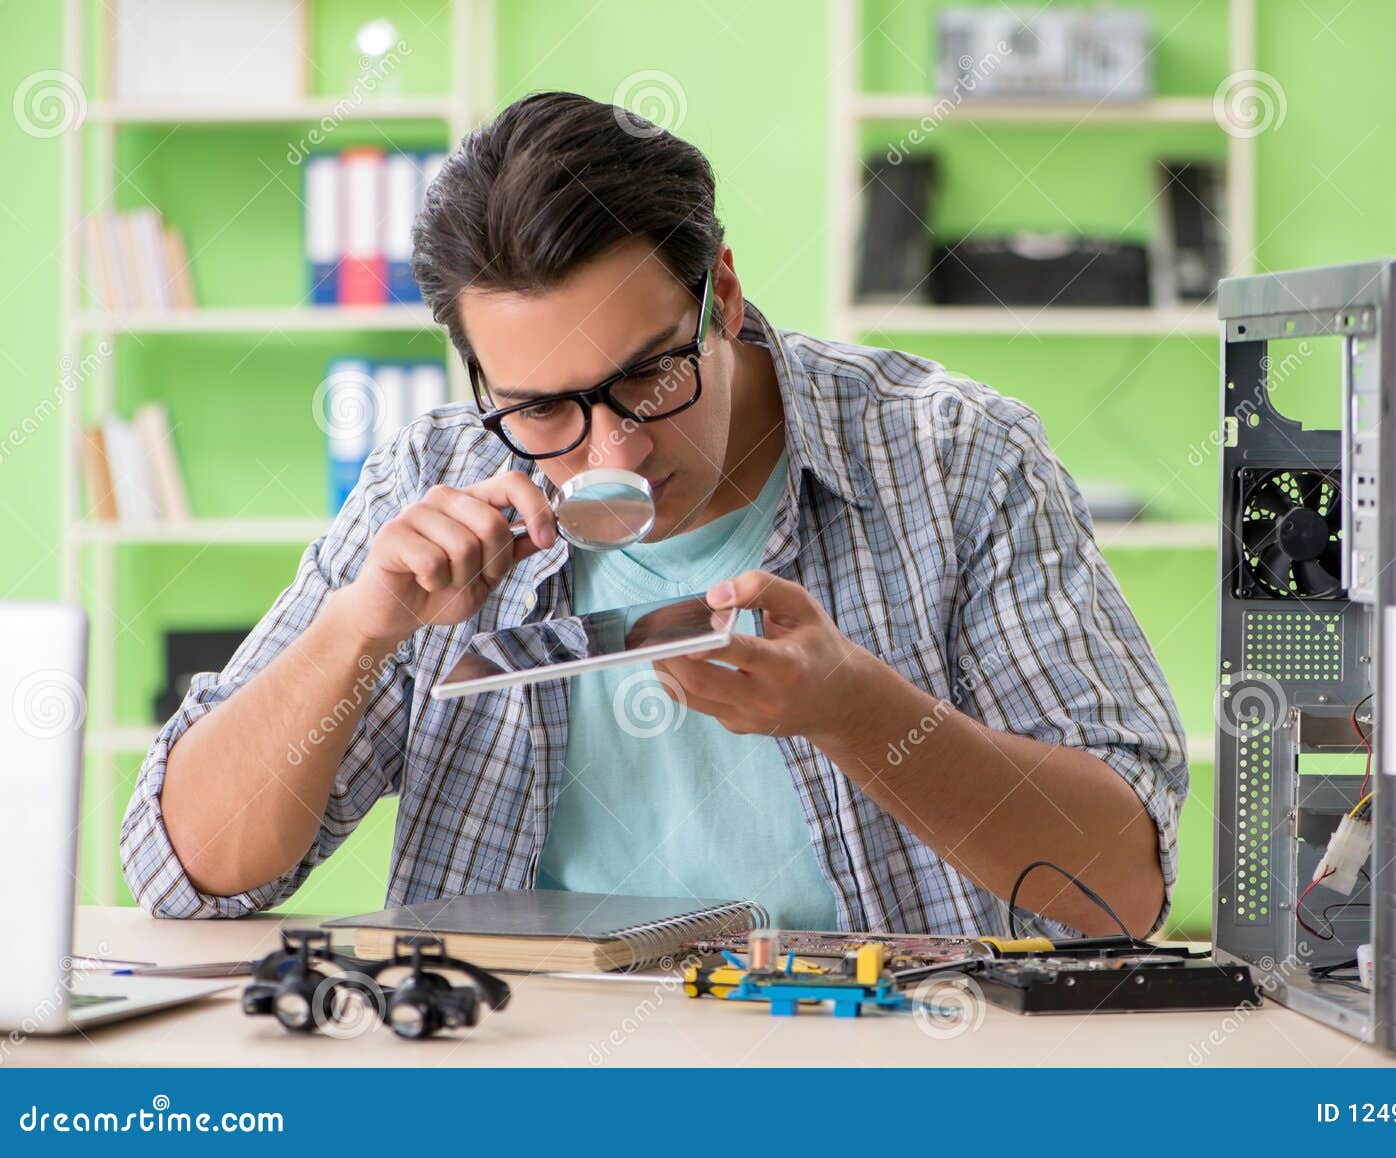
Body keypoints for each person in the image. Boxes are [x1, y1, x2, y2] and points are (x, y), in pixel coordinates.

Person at [121, 91, 1187, 938]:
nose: (614, 453)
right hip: (515, 1076)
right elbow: (186, 876)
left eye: (649, 376)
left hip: (875, 1070)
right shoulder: (430, 474)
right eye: (542, 407)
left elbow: (1119, 891)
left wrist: (858, 714)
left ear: (721, 292)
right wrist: (356, 633)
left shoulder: (955, 460)